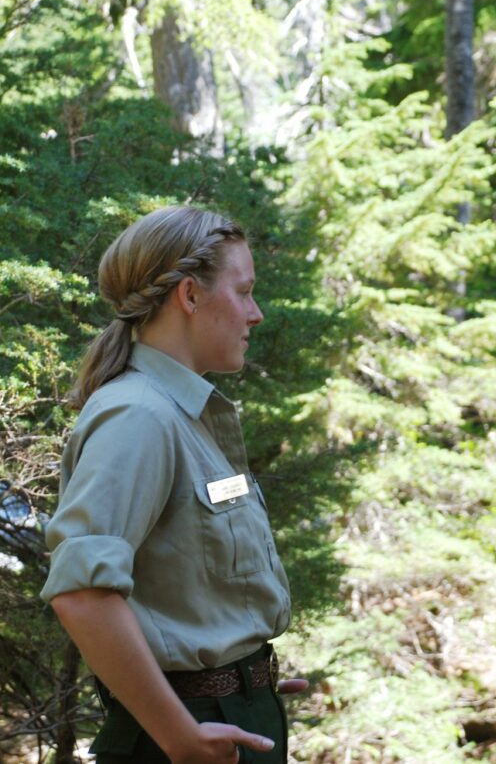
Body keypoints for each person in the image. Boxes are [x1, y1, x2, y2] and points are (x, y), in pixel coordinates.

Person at [41, 205, 305, 763]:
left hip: (230, 715)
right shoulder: (140, 416)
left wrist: (247, 683)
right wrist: (180, 731)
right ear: (189, 295)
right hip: (179, 740)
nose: (255, 314)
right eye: (244, 292)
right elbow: (83, 595)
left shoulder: (183, 414)